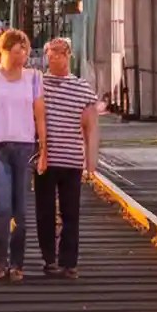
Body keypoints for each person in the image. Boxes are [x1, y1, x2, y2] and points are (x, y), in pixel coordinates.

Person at [0, 29, 47, 282]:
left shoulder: (34, 78)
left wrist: (44, 150)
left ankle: (17, 263)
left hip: (25, 148)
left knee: (21, 212)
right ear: (4, 50)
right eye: (18, 50)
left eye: (25, 50)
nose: (23, 55)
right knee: (2, 206)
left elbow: (40, 117)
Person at [35, 37, 99, 278]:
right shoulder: (39, 84)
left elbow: (91, 127)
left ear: (68, 56)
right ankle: (49, 258)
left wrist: (91, 162)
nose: (54, 60)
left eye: (59, 55)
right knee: (45, 211)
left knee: (71, 212)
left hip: (71, 159)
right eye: (50, 56)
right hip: (45, 158)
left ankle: (69, 261)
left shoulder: (82, 88)